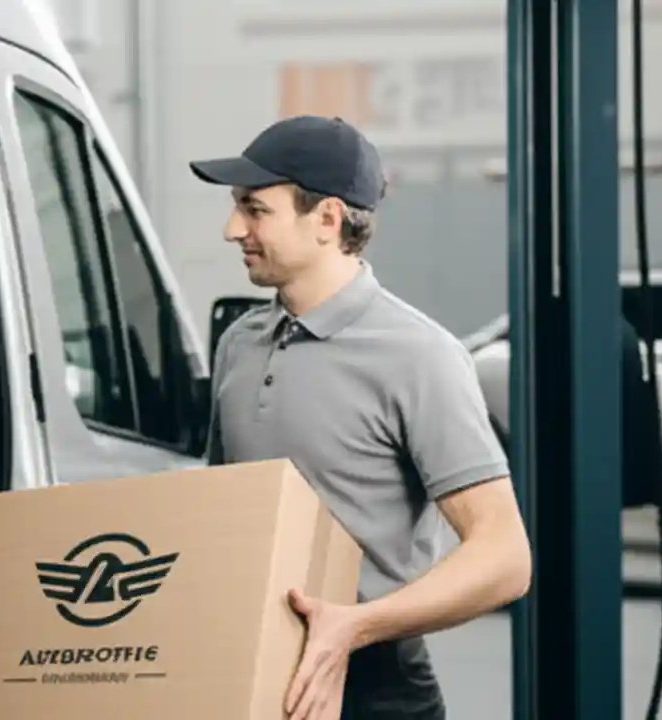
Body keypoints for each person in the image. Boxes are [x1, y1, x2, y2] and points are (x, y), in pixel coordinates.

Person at [190, 115, 532, 720]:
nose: (232, 228)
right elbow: (221, 512)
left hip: (375, 687)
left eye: (254, 209)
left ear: (326, 219)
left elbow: (504, 557)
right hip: (248, 668)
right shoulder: (239, 344)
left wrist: (354, 627)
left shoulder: (419, 355)